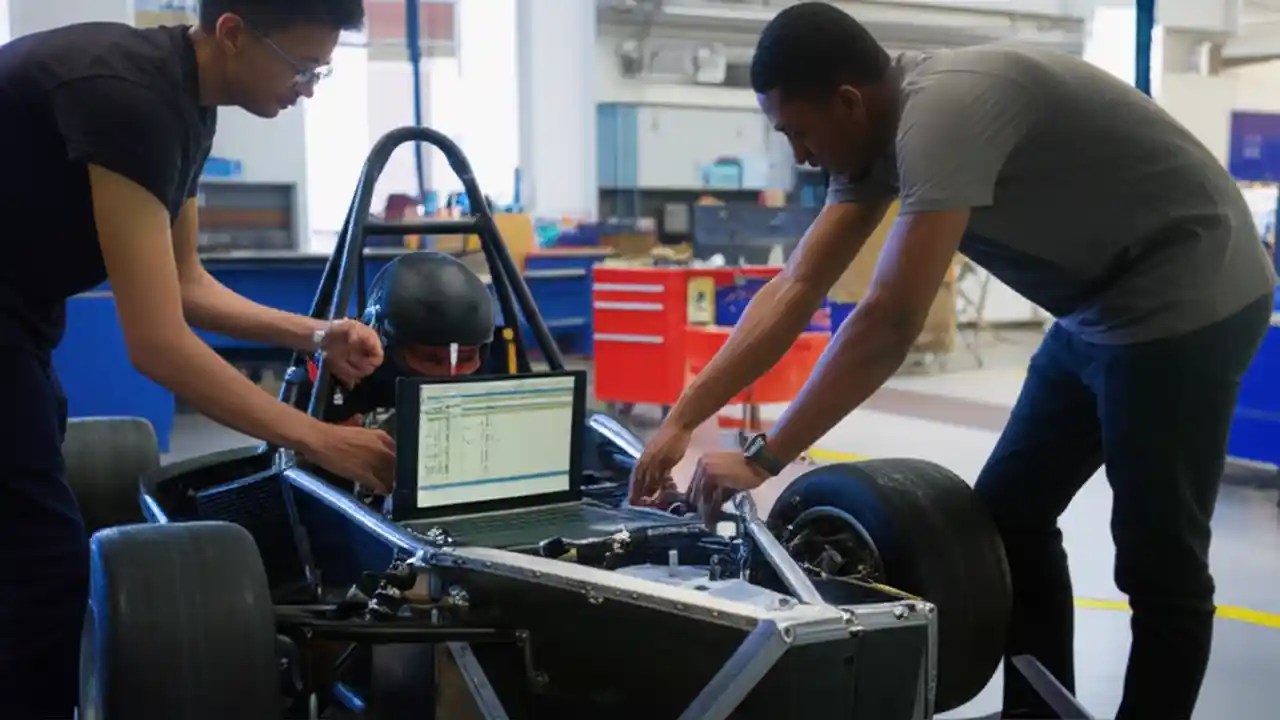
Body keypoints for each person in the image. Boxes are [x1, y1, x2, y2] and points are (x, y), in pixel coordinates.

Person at [628, 3, 1277, 719]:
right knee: (1009, 515)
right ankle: (1038, 710)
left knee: (1158, 560)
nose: (799, 156)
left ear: (848, 101)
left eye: (798, 132)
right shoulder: (869, 144)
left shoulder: (943, 114)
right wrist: (682, 421)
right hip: (1097, 309)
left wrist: (765, 456)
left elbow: (889, 319)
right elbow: (797, 286)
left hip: (1189, 296)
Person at [0, 2, 392, 717]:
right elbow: (155, 343)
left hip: (21, 314)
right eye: (302, 65)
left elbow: (187, 284)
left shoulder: (186, 100)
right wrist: (318, 439)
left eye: (322, 71)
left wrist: (316, 335)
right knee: (41, 562)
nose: (308, 86)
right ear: (234, 32)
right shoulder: (131, 100)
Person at [306, 250, 496, 426]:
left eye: (464, 358)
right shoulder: (336, 370)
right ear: (387, 348)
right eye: (433, 359)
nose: (450, 375)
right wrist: (325, 442)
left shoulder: (491, 368)